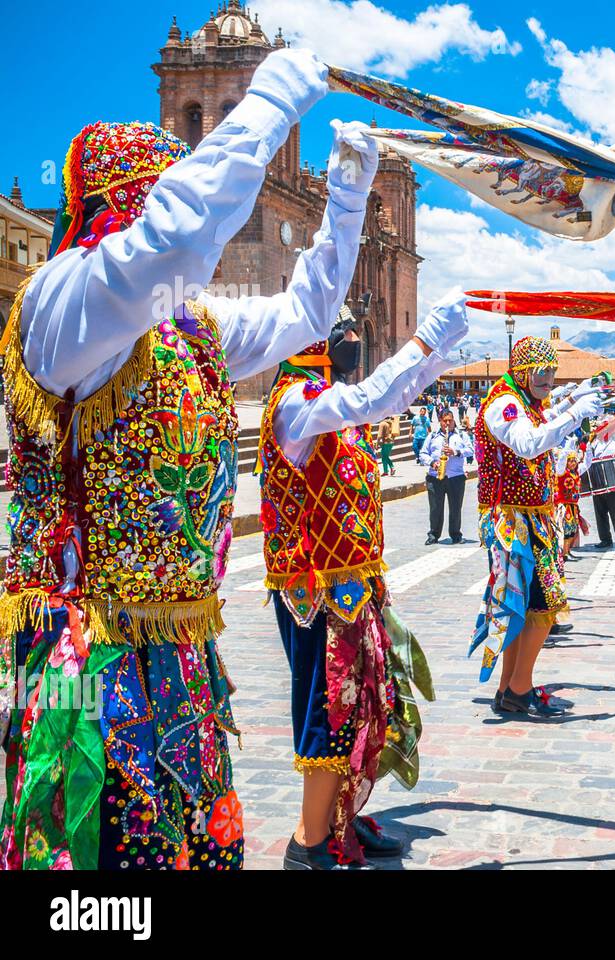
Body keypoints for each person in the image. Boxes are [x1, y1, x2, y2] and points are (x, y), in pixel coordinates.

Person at [0, 48, 361, 870]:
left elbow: (307, 308)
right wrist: (267, 108)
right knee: (95, 876)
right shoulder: (63, 306)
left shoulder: (186, 328)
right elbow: (169, 249)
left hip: (179, 657)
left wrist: (344, 201)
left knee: (194, 854)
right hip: (79, 664)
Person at [258, 294, 468, 869]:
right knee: (327, 709)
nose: (352, 339)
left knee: (363, 707)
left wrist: (438, 357)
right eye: (343, 331)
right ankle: (308, 842)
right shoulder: (294, 405)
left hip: (351, 586)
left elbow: (386, 399)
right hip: (313, 593)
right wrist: (424, 340)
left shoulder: (325, 402)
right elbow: (370, 397)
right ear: (314, 342)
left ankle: (341, 821)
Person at [469, 336, 603, 718]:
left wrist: (570, 402)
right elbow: (527, 443)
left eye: (553, 373)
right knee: (545, 604)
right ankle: (519, 689)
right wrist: (575, 415)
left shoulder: (525, 401)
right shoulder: (504, 403)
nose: (548, 380)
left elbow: (542, 418)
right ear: (523, 371)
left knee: (521, 608)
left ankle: (509, 688)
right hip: (514, 522)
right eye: (542, 373)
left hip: (530, 518)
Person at [419, 408, 474, 545]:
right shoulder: (432, 436)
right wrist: (432, 463)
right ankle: (433, 534)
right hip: (435, 476)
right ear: (440, 421)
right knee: (435, 507)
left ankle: (456, 534)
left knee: (456, 507)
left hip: (456, 477)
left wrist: (455, 452)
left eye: (450, 420)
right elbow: (423, 454)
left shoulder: (461, 435)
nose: (448, 423)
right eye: (445, 421)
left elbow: (471, 450)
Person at [582, 413, 615, 550]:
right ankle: (605, 539)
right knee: (600, 512)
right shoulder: (593, 442)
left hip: (614, 481)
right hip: (598, 482)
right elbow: (587, 461)